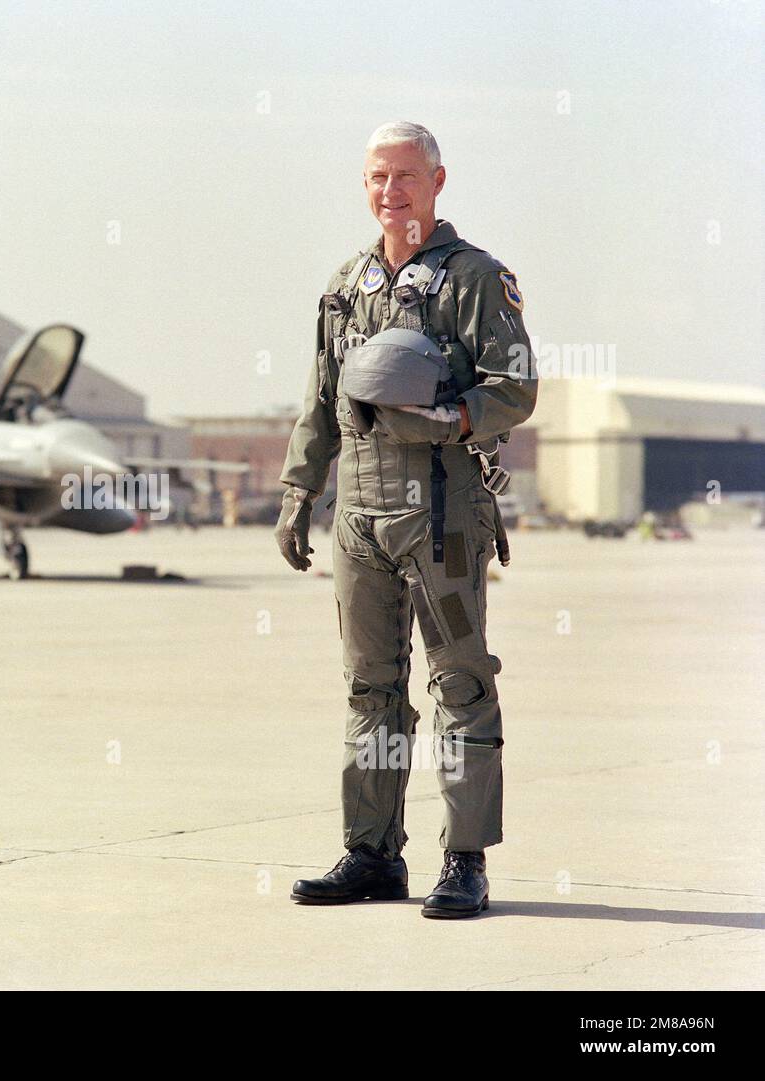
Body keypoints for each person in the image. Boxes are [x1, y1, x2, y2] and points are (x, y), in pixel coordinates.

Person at [276, 121, 537, 919]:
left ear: (437, 181)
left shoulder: (475, 278)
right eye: (377, 178)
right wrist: (298, 493)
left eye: (407, 177)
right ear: (365, 186)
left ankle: (465, 860)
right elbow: (321, 401)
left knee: (459, 682)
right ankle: (370, 853)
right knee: (370, 687)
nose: (392, 192)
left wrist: (454, 418)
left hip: (442, 508)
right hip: (357, 513)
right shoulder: (344, 286)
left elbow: (517, 386)